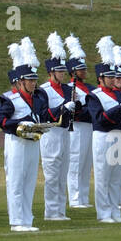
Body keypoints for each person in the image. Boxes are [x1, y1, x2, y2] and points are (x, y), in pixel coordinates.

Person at [0, 39, 45, 232]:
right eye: (29, 80)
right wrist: (19, 124)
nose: (33, 83)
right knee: (16, 181)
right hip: (16, 142)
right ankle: (16, 220)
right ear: (20, 82)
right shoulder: (10, 99)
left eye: (34, 80)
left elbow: (42, 115)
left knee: (29, 181)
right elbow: (0, 121)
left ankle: (27, 218)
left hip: (33, 142)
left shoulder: (38, 98)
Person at [87, 38, 121, 224]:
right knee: (103, 176)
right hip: (103, 136)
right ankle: (104, 213)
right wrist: (120, 108)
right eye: (109, 76)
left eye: (114, 76)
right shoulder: (94, 95)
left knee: (116, 178)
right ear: (100, 78)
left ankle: (115, 211)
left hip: (120, 135)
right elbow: (100, 119)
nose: (113, 79)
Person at [37, 33, 73, 221]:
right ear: (51, 72)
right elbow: (43, 113)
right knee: (51, 174)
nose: (62, 74)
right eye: (59, 71)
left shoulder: (68, 89)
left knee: (62, 174)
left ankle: (61, 210)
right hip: (50, 133)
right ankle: (51, 211)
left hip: (65, 132)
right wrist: (62, 108)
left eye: (63, 71)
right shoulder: (43, 89)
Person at [64, 34, 94, 209]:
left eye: (84, 69)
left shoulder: (90, 88)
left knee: (86, 163)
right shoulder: (69, 88)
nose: (84, 71)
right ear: (73, 72)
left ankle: (83, 196)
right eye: (80, 69)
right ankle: (75, 198)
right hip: (76, 127)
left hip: (89, 126)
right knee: (75, 162)